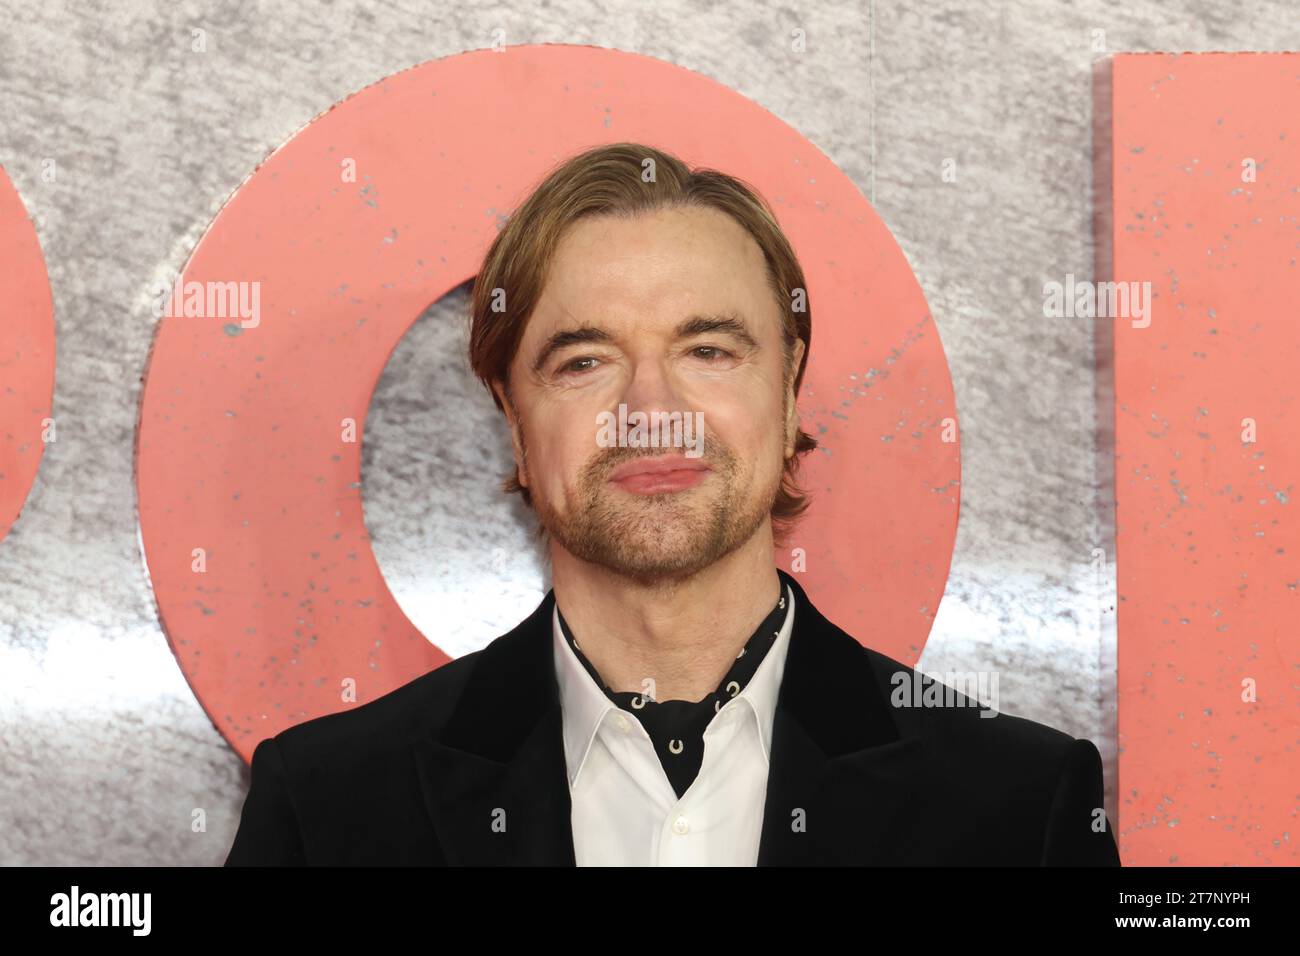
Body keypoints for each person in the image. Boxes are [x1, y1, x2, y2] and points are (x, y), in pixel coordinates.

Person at [225, 142, 1120, 866]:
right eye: (585, 362)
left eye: (708, 351)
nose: (652, 415)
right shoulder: (329, 808)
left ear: (789, 393)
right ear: (513, 418)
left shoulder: (1017, 807)